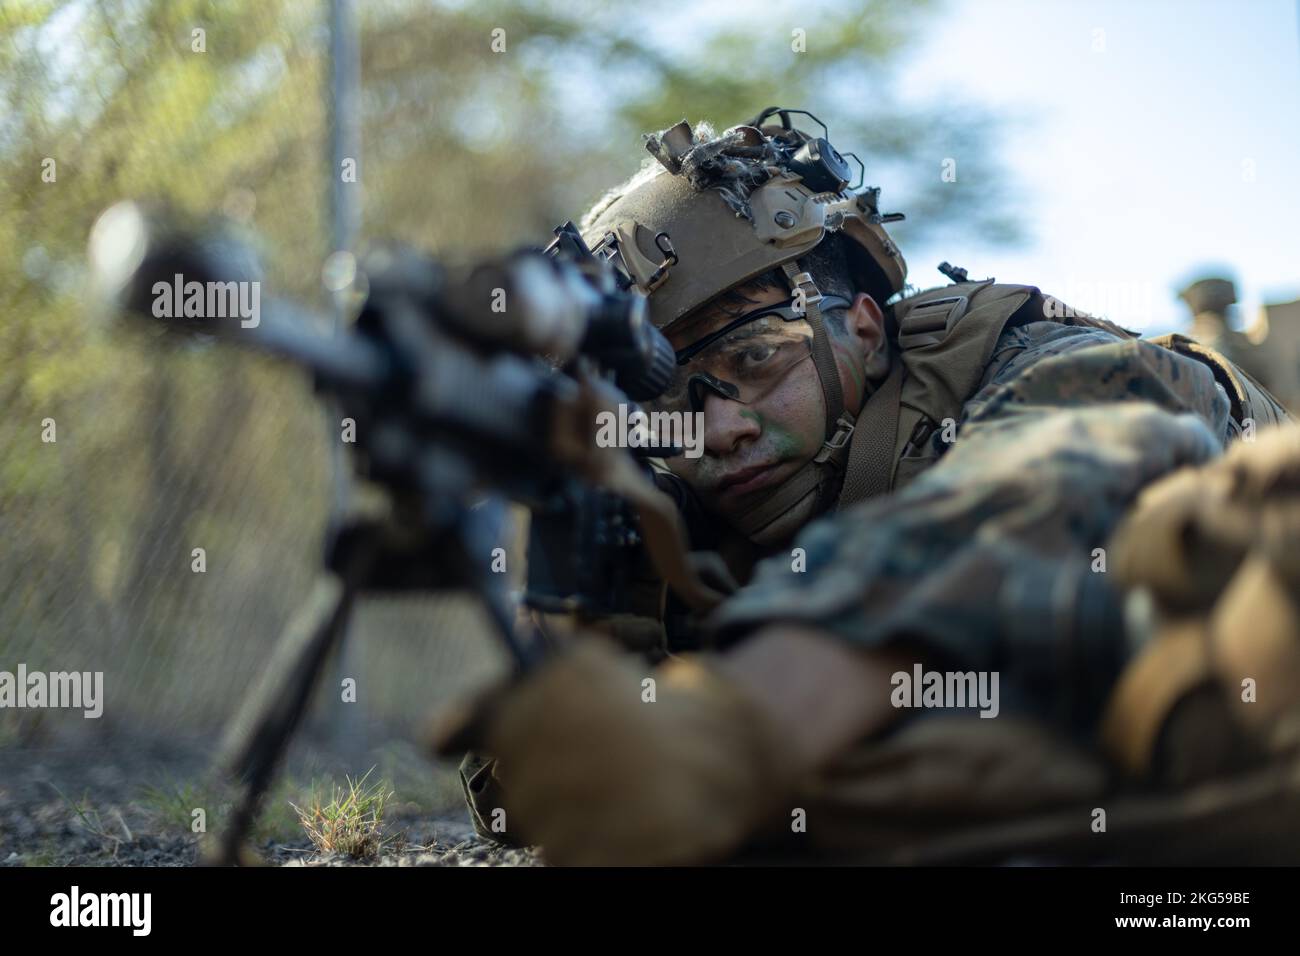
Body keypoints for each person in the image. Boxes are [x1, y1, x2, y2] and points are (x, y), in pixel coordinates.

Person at [437, 109, 1299, 865]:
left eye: (755, 360)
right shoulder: (666, 491)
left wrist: (737, 729)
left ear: (859, 328)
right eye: (665, 396)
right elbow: (548, 803)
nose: (719, 427)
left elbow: (1051, 481)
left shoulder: (1046, 365)